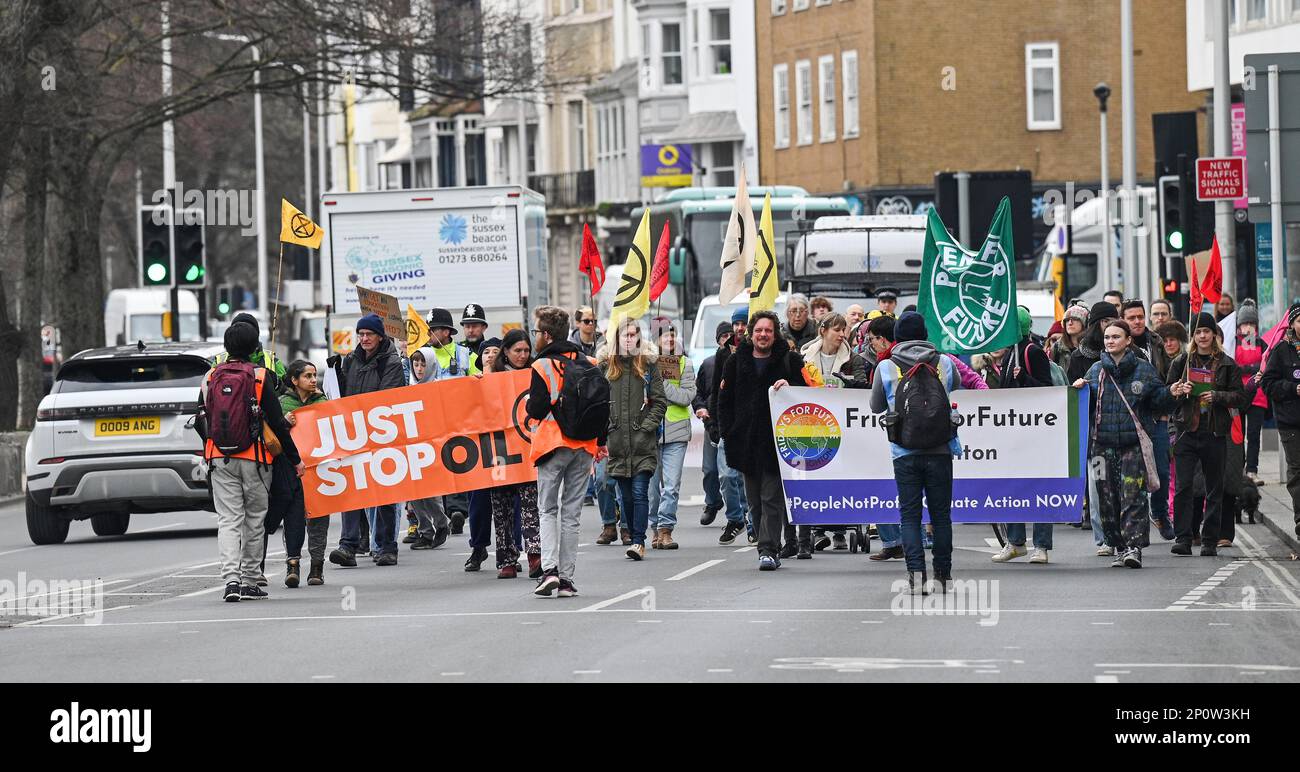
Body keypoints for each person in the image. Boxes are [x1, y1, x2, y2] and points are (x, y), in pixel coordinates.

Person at [197, 322, 303, 601]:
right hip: (255, 458)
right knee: (254, 520)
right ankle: (249, 581)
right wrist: (295, 459)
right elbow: (278, 424)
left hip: (219, 457)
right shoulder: (259, 377)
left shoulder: (210, 377)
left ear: (226, 346)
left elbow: (200, 418)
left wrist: (211, 449)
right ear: (254, 346)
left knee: (228, 520)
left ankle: (230, 580)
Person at [869, 311, 959, 593]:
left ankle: (916, 574)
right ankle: (943, 575)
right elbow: (952, 388)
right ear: (925, 334)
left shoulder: (887, 366)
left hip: (903, 450)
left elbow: (875, 406)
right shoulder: (943, 362)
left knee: (909, 515)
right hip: (941, 447)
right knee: (941, 515)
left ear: (897, 337)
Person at [1073, 320, 1172, 568]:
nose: (1110, 341)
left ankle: (1133, 548)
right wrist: (1078, 390)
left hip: (1132, 446)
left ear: (1128, 340)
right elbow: (1081, 408)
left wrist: (1174, 393)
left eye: (1116, 337)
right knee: (1105, 500)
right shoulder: (1095, 371)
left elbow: (1160, 401)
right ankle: (1117, 546)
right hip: (1100, 448)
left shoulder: (1144, 370)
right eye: (1107, 337)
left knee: (1133, 497)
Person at [717, 310, 809, 570]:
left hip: (778, 443)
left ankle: (767, 549)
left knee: (771, 497)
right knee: (754, 502)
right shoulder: (735, 362)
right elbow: (724, 402)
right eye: (758, 330)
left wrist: (790, 385)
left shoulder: (789, 360)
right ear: (751, 333)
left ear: (775, 333)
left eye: (768, 330)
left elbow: (808, 396)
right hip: (745, 443)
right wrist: (728, 432)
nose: (763, 335)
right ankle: (768, 544)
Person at [527, 305, 607, 597]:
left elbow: (536, 407)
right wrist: (599, 442)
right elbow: (600, 406)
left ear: (546, 336)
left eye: (537, 332)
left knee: (547, 509)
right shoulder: (589, 362)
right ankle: (568, 580)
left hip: (553, 444)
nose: (535, 336)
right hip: (584, 446)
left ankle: (549, 572)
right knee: (571, 515)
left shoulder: (542, 366)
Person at [327, 314, 407, 568]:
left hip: (381, 436)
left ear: (380, 336)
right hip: (353, 435)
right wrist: (334, 373)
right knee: (351, 491)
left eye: (368, 334)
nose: (363, 339)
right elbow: (342, 395)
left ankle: (386, 547)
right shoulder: (351, 359)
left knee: (383, 492)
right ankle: (347, 546)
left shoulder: (391, 362)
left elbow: (387, 400)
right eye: (361, 334)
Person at [1166, 312, 1248, 557]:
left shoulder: (1227, 363)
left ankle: (1210, 540)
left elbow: (1241, 398)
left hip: (1214, 431)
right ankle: (1183, 537)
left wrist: (1218, 396)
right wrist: (1179, 389)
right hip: (1186, 431)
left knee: (1215, 488)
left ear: (1214, 334)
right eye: (1198, 332)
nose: (1202, 336)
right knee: (1183, 486)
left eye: (1206, 331)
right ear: (1193, 335)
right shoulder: (1182, 362)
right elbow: (1167, 395)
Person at [799, 312, 867, 556]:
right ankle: (817, 531)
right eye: (837, 330)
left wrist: (848, 382)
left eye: (844, 330)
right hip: (812, 427)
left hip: (842, 425)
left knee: (841, 475)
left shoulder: (853, 359)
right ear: (823, 331)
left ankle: (839, 530)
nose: (842, 335)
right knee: (815, 476)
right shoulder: (804, 357)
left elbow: (862, 387)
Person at [992, 307, 1056, 564]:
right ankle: (1015, 541)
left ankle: (1041, 545)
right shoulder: (1009, 355)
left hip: (1036, 432)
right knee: (1013, 486)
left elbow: (1048, 391)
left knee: (1040, 487)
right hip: (1015, 433)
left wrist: (1026, 379)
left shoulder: (1032, 352)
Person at [600, 319, 667, 560]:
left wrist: (646, 427)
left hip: (642, 443)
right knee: (625, 496)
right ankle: (630, 531)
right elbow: (597, 402)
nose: (629, 339)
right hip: (617, 443)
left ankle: (639, 541)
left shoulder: (648, 366)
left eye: (633, 335)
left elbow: (660, 401)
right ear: (616, 339)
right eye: (625, 335)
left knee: (640, 492)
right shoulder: (606, 368)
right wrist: (607, 426)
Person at [266, 359, 330, 587]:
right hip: (290, 470)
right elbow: (270, 433)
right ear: (294, 380)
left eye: (315, 376)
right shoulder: (282, 404)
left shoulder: (323, 401)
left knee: (319, 518)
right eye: (307, 376)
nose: (313, 380)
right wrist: (284, 422)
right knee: (292, 518)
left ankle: (317, 567)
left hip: (320, 470)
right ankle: (292, 566)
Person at [488, 329, 542, 578]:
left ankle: (534, 556)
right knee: (502, 507)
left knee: (531, 505)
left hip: (527, 448)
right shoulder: (493, 376)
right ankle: (507, 560)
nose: (522, 355)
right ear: (506, 352)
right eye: (517, 350)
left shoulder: (535, 374)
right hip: (498, 452)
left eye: (526, 350)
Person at [647, 317, 695, 550]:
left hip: (676, 432)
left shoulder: (685, 363)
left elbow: (686, 397)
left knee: (672, 485)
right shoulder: (645, 363)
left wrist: (662, 385)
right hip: (650, 432)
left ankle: (667, 529)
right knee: (651, 488)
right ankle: (654, 528)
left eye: (673, 334)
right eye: (665, 335)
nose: (670, 338)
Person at [708, 307, 751, 546]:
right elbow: (716, 390)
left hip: (749, 425)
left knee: (748, 477)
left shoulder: (754, 351)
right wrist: (714, 422)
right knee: (726, 476)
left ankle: (753, 523)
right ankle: (735, 518)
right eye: (736, 324)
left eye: (744, 323)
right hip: (728, 424)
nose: (739, 328)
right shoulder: (723, 354)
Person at [1260, 302, 1300, 544]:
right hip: (1291, 423)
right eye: (1299, 320)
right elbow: (1268, 384)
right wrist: (1293, 388)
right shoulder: (1281, 350)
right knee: (1297, 474)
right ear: (1293, 324)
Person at [695, 322, 731, 526]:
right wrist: (700, 407)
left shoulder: (739, 361)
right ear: (718, 339)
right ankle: (712, 502)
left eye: (730, 335)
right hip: (712, 424)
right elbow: (698, 392)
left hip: (732, 424)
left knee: (732, 473)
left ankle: (741, 510)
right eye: (723, 335)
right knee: (710, 469)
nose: (726, 338)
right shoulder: (708, 364)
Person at [1234, 300, 1269, 484]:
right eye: (1245, 324)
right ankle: (1238, 469)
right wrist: (1251, 368)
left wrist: (1245, 368)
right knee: (1238, 435)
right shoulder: (1232, 343)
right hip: (1239, 395)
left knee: (1254, 435)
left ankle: (1252, 471)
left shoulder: (1262, 344)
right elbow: (1233, 367)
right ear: (1239, 326)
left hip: (1257, 396)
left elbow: (1265, 367)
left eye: (1251, 323)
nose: (1248, 327)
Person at [214, 312, 287, 386]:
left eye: (247, 330)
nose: (242, 334)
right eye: (238, 329)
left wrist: (278, 383)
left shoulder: (273, 362)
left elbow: (287, 392)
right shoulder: (218, 361)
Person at [460, 303, 488, 368]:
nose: (470, 330)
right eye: (467, 326)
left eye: (474, 326)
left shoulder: (491, 351)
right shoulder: (457, 350)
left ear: (484, 328)